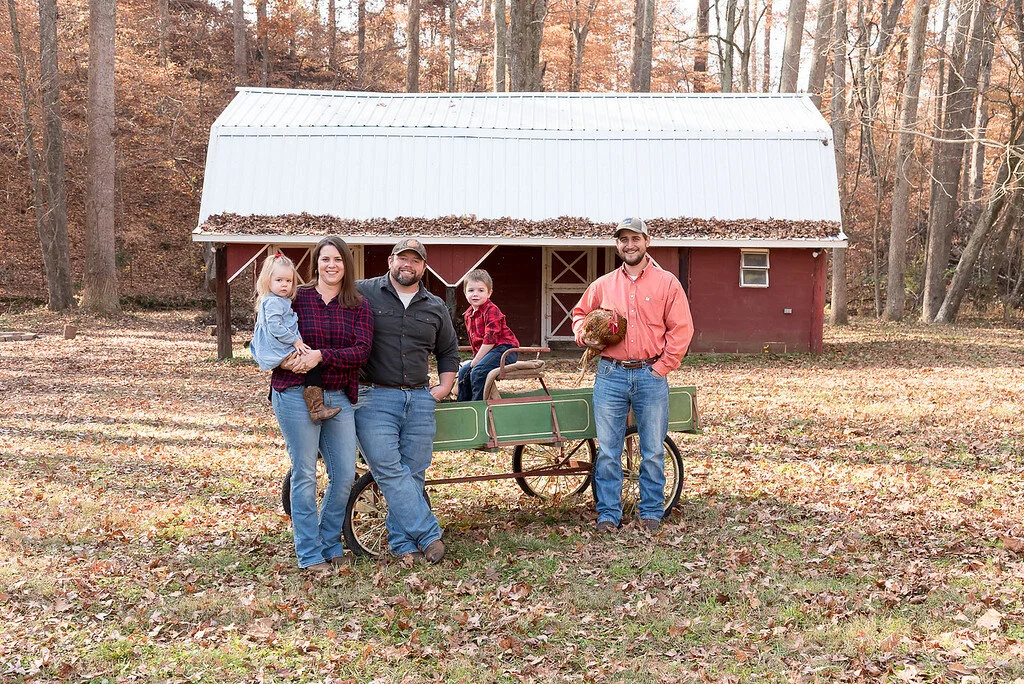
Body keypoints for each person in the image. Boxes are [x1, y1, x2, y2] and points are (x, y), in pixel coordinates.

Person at [571, 217, 694, 534]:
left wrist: (661, 368)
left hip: (650, 375)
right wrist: (583, 334)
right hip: (610, 375)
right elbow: (580, 314)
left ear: (647, 242)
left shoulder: (667, 283)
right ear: (617, 245)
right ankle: (608, 514)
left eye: (635, 238)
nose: (629, 245)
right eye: (623, 239)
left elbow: (681, 330)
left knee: (652, 450)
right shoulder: (603, 285)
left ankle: (651, 511)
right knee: (608, 451)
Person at [270, 236, 374, 574]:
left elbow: (361, 351)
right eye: (325, 259)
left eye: (338, 259)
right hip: (294, 393)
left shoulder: (358, 305)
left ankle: (329, 541)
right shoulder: (296, 297)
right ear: (316, 263)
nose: (332, 265)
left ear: (347, 264)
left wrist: (320, 356)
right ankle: (310, 552)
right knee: (304, 473)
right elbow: (266, 332)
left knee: (343, 474)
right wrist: (282, 360)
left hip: (338, 395)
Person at [355, 238, 461, 564]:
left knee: (414, 472)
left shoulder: (435, 306)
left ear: (424, 267)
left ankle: (403, 544)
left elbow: (448, 351)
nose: (408, 265)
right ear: (390, 260)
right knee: (388, 468)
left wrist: (443, 388)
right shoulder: (362, 292)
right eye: (403, 258)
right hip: (375, 398)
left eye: (415, 260)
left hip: (419, 399)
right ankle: (428, 534)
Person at [250, 253, 340, 423]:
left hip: (280, 345)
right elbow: (275, 327)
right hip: (279, 346)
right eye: (279, 280)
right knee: (312, 364)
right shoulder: (274, 302)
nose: (284, 284)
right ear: (267, 281)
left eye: (288, 281)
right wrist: (295, 341)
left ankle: (309, 405)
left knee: (309, 365)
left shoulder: (278, 300)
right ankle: (316, 408)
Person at [457, 269, 520, 402]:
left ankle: (478, 405)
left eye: (481, 290)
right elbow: (475, 342)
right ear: (465, 292)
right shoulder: (468, 315)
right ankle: (463, 405)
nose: (475, 294)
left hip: (505, 350)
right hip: (489, 353)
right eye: (471, 290)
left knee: (478, 371)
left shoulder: (491, 310)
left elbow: (490, 340)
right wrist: (475, 360)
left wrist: (476, 361)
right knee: (463, 372)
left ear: (489, 293)